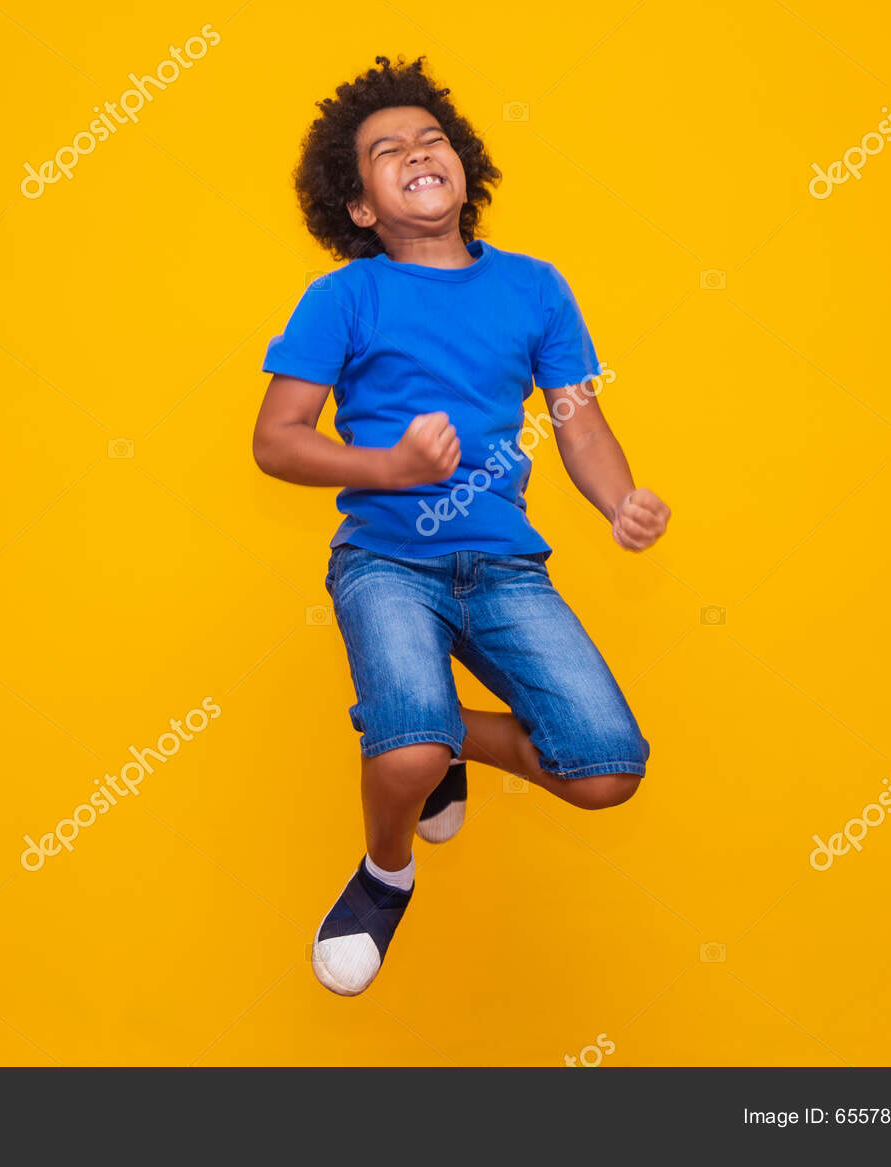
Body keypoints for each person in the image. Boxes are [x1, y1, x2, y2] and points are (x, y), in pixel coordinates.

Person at [253, 55, 671, 996]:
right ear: (359, 207)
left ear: (463, 165)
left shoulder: (533, 287)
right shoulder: (345, 297)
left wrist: (621, 501)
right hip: (387, 561)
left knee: (607, 770)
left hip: (504, 568)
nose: (416, 152)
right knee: (401, 746)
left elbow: (575, 413)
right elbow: (276, 442)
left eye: (431, 138)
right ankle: (384, 875)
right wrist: (390, 468)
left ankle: (446, 745)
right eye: (385, 150)